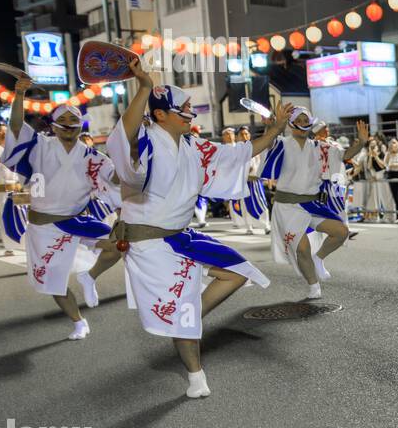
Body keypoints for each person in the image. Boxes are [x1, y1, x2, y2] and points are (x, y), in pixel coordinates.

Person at [107, 61, 290, 398]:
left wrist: (275, 131)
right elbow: (123, 136)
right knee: (184, 315)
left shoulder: (195, 146)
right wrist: (144, 86)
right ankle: (195, 375)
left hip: (181, 236)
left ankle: (187, 316)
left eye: (190, 109)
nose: (190, 114)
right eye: (183, 110)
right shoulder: (145, 139)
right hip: (150, 245)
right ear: (161, 115)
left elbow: (238, 154)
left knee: (236, 271)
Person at [2, 82, 124, 339]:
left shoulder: (93, 156)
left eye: (74, 121)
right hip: (43, 227)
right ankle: (78, 322)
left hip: (76, 222)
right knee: (53, 282)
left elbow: (114, 179)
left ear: (81, 125)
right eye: (63, 122)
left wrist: (128, 155)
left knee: (120, 245)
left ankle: (89, 277)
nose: (69, 126)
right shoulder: (39, 146)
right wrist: (20, 94)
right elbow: (15, 127)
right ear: (54, 126)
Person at [259, 108, 367, 299]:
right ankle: (313, 286)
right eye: (298, 119)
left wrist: (361, 142)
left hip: (311, 204)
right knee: (302, 248)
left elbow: (344, 155)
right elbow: (268, 142)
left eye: (305, 119)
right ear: (291, 124)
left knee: (341, 232)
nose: (302, 122)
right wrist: (271, 125)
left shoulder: (320, 147)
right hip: (287, 207)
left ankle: (319, 259)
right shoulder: (281, 144)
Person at [0, 120, 24, 255]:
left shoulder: (14, 148)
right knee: (5, 217)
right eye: (0, 131)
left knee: (21, 216)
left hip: (17, 187)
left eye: (5, 130)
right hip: (1, 189)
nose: (3, 133)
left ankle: (23, 243)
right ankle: (9, 246)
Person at [237, 126, 270, 235]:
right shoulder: (236, 150)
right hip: (244, 182)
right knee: (245, 205)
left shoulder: (255, 146)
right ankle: (249, 226)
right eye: (242, 134)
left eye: (246, 134)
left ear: (249, 135)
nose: (244, 136)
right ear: (238, 137)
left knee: (262, 203)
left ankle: (266, 225)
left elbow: (261, 162)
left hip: (255, 181)